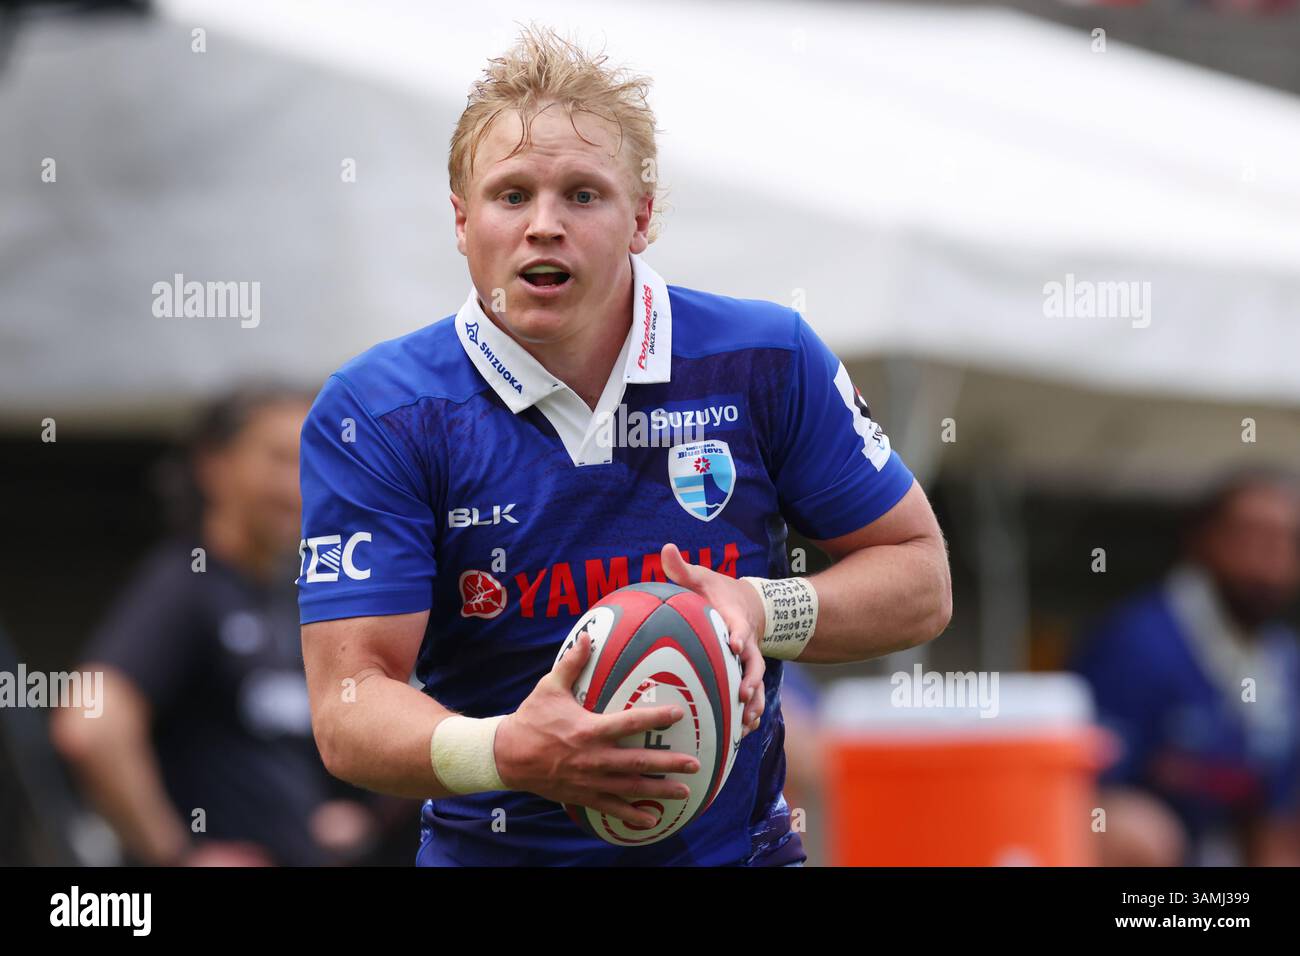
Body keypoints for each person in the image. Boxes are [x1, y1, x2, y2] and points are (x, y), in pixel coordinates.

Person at [298, 25, 951, 867]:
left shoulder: (765, 359)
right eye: (510, 196)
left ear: (640, 216)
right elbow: (348, 708)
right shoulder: (378, 411)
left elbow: (921, 580)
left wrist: (760, 608)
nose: (544, 226)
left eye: (582, 194)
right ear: (461, 221)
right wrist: (509, 751)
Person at [52, 387, 381, 866]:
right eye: (278, 459)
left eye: (312, 459)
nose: (298, 484)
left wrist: (337, 813)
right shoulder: (187, 583)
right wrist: (178, 853)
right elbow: (90, 726)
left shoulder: (293, 595)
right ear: (214, 465)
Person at [1072, 470, 1300, 866]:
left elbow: (1276, 815)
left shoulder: (1285, 660)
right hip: (1149, 859)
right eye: (1252, 536)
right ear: (1203, 540)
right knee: (1140, 832)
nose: (1270, 557)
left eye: (1287, 540)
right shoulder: (1137, 641)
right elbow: (1085, 791)